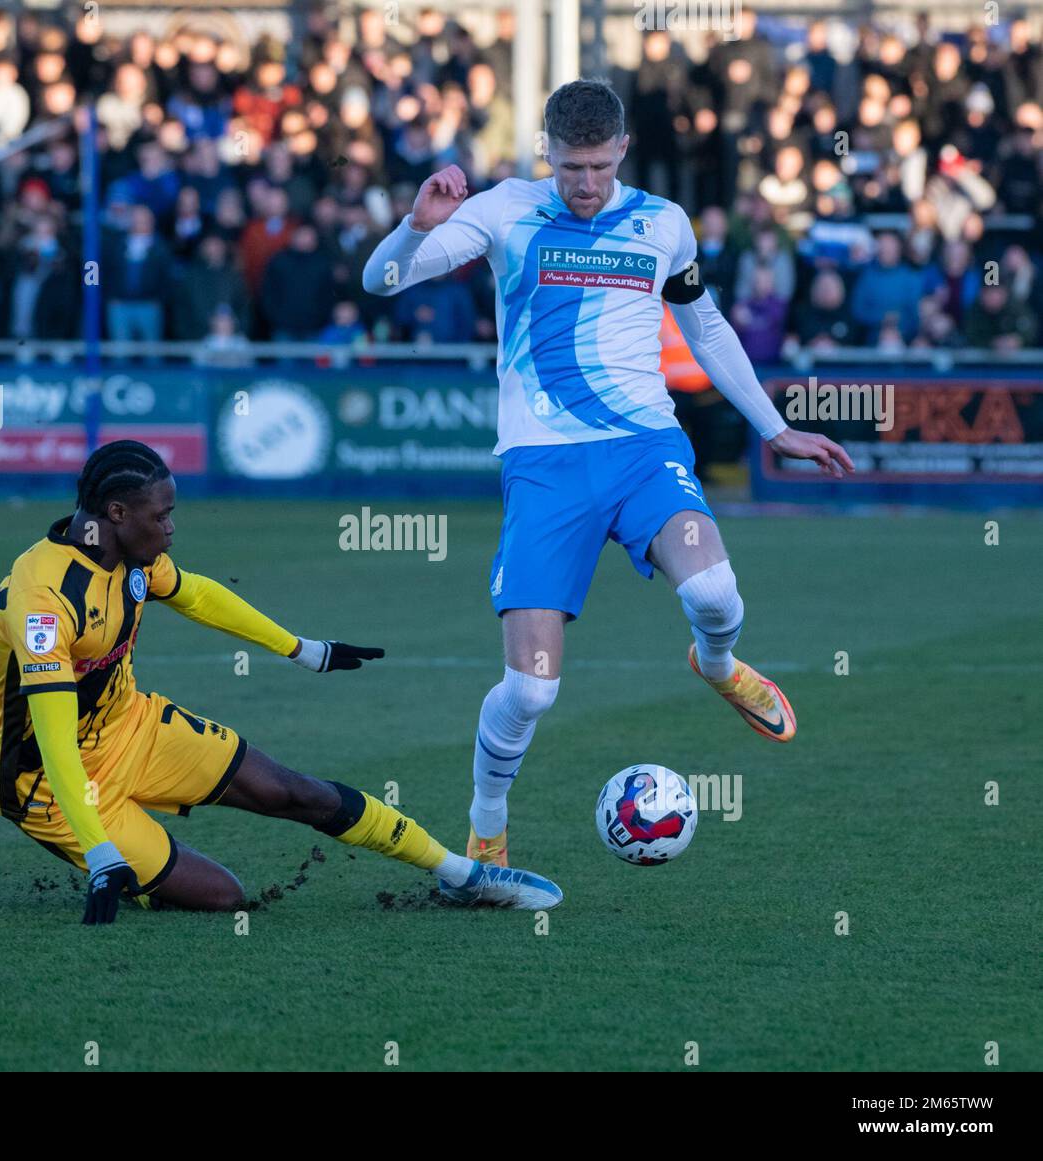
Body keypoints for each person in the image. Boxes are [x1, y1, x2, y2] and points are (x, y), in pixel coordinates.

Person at [362, 80, 853, 867]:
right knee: (531, 691)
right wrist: (411, 231)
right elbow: (380, 283)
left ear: (622, 149)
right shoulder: (504, 210)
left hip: (643, 447)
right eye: (568, 168)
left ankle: (718, 665)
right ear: (545, 154)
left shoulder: (663, 223)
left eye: (596, 166)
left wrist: (775, 426)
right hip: (543, 466)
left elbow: (707, 325)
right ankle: (488, 816)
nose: (584, 184)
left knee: (714, 594)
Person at [0, 441, 563, 922]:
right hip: (52, 785)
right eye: (160, 516)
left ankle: (461, 875)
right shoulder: (45, 599)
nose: (171, 528)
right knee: (222, 897)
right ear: (115, 512)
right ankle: (125, 868)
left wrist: (302, 649)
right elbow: (55, 741)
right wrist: (100, 848)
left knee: (293, 791)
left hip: (131, 728)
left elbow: (196, 594)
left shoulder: (130, 555)